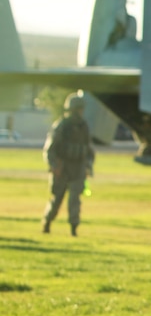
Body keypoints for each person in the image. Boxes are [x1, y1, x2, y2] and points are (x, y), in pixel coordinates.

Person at [42, 90, 95, 236]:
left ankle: (74, 228)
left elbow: (89, 150)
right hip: (62, 167)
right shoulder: (62, 126)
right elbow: (50, 149)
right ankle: (47, 222)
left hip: (77, 168)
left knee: (74, 201)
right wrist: (53, 166)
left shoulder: (84, 127)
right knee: (56, 199)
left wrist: (88, 166)